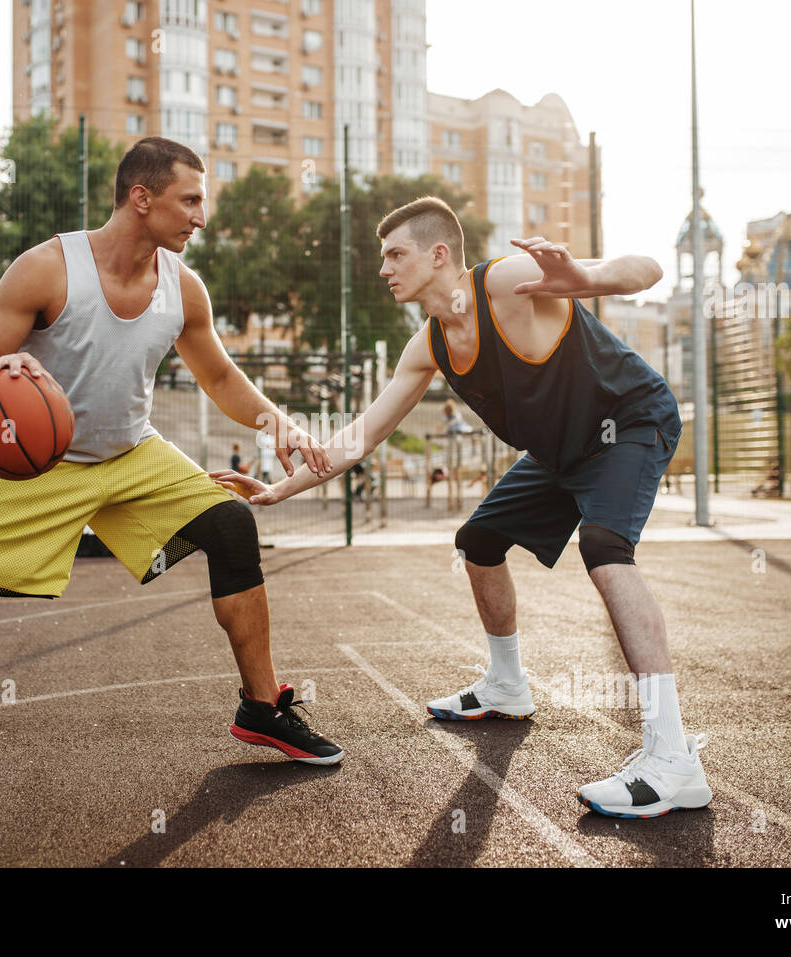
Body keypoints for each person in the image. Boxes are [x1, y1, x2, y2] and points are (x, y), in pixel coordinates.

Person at [0, 137, 340, 792]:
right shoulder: (47, 269)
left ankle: (262, 706)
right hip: (39, 465)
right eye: (190, 201)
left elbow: (218, 373)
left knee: (231, 525)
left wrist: (278, 423)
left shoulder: (184, 288)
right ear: (140, 197)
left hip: (131, 452)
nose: (200, 217)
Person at [212, 196, 711, 819]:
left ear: (438, 254)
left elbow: (645, 269)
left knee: (605, 548)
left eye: (396, 255)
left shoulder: (505, 282)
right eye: (384, 257)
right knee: (479, 540)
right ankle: (507, 684)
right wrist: (278, 490)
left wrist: (583, 280)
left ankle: (672, 759)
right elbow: (361, 436)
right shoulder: (427, 347)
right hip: (562, 452)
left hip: (628, 421)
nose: (385, 268)